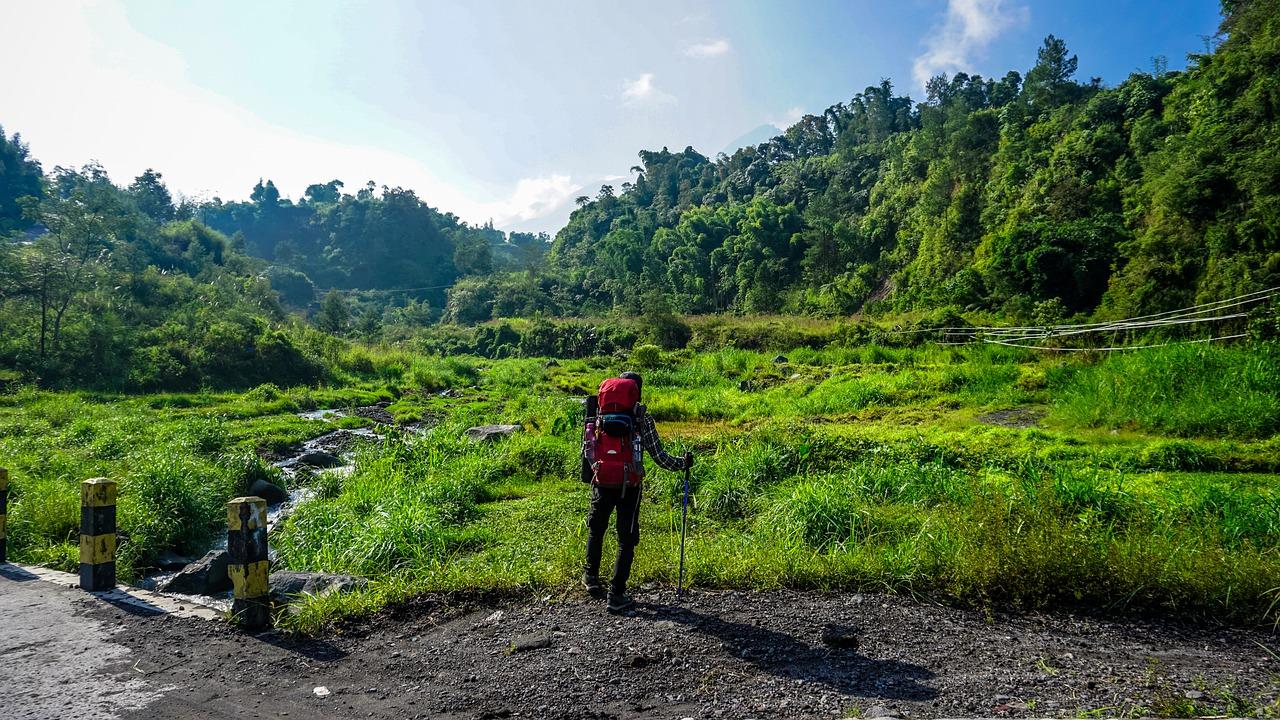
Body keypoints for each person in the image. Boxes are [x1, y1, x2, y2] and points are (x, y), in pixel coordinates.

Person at [582, 371, 692, 613]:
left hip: (601, 480)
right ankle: (616, 595)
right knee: (626, 539)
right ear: (637, 392)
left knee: (597, 528)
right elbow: (659, 457)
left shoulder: (597, 414)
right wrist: (683, 463)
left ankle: (590, 579)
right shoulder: (642, 418)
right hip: (629, 485)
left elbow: (587, 449)